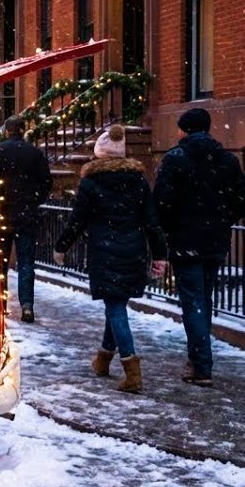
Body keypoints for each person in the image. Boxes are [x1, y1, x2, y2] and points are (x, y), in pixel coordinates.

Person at [53, 125, 167, 394]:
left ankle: (132, 371)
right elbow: (152, 221)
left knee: (115, 307)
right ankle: (103, 359)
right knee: (115, 302)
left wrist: (62, 246)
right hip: (133, 250)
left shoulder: (91, 183)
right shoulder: (138, 181)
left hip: (104, 251)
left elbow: (77, 219)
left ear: (100, 154)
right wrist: (159, 254)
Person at [152, 108, 245, 388]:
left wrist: (167, 231)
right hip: (214, 240)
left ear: (186, 129)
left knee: (193, 301)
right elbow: (240, 198)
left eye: (181, 128)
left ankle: (202, 364)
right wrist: (221, 220)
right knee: (203, 297)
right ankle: (198, 359)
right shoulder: (226, 159)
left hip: (185, 240)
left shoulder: (176, 158)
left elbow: (162, 202)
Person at [0, 116, 52, 323]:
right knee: (26, 262)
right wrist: (34, 200)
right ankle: (27, 306)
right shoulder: (35, 153)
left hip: (2, 212)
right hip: (27, 213)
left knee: (0, 262)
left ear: (7, 131)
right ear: (23, 130)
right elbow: (46, 183)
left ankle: (1, 304)